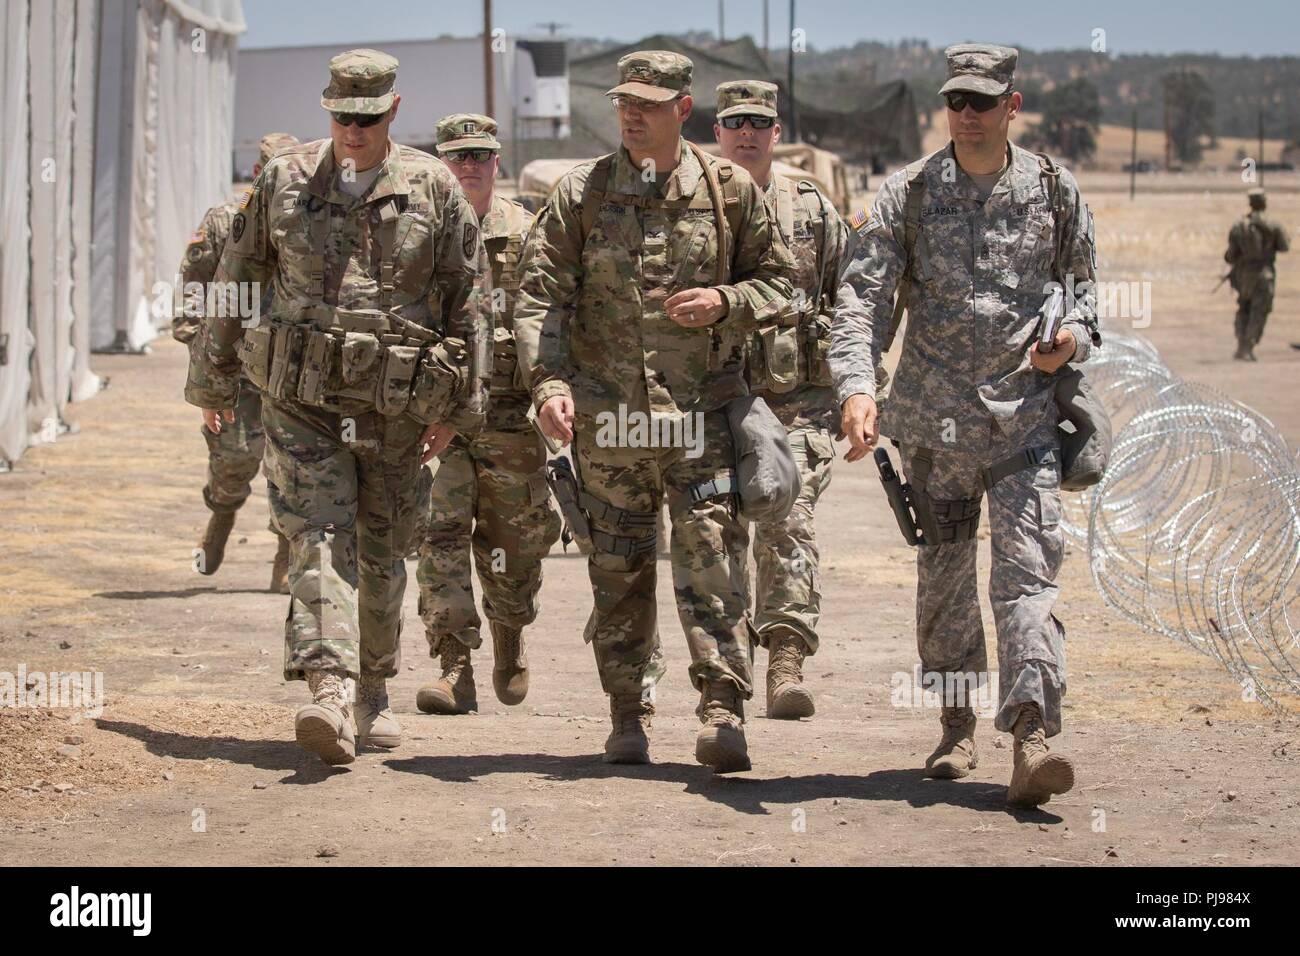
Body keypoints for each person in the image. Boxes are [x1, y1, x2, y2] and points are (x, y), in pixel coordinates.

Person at [184, 49, 491, 765]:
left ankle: (373, 691)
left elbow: (468, 298)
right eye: (342, 116)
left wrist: (460, 406)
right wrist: (214, 380)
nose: (353, 130)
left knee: (384, 552)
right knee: (319, 535)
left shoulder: (432, 186)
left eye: (368, 117)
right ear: (328, 110)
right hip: (303, 398)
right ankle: (328, 686)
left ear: (393, 110)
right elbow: (238, 274)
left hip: (399, 406)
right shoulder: (284, 180)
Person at [832, 44, 1100, 808]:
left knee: (1026, 580)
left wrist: (1070, 340)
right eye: (957, 101)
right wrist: (857, 388)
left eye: (983, 102)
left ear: (1012, 107)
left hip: (1024, 422)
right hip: (935, 429)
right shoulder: (908, 194)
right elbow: (862, 301)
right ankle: (954, 723)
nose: (968, 114)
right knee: (945, 583)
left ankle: (1032, 735)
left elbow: (1083, 294)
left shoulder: (1054, 190)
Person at [513, 51, 795, 773]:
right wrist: (548, 385)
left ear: (683, 109)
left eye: (647, 102)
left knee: (712, 564)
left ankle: (723, 709)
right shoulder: (583, 194)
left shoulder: (728, 190)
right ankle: (627, 712)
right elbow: (539, 296)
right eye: (623, 102)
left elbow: (782, 283)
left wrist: (727, 302)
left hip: (699, 420)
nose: (631, 114)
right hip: (609, 426)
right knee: (619, 571)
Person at [414, 113, 561, 715]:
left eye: (480, 156)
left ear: (497, 162)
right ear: (440, 163)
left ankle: (509, 632)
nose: (469, 166)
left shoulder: (525, 234)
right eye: (457, 156)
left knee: (514, 547)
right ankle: (454, 667)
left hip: (509, 419)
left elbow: (546, 320)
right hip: (434, 426)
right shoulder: (416, 237)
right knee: (439, 540)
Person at [713, 80, 842, 720]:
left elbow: (853, 304)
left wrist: (858, 388)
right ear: (715, 129)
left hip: (799, 406)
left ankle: (785, 660)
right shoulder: (693, 202)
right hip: (714, 403)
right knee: (719, 537)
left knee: (788, 519)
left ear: (776, 132)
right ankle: (728, 681)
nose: (746, 133)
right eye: (734, 121)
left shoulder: (813, 209)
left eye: (759, 123)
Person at [176, 132, 299, 593]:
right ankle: (221, 515)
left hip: (289, 368)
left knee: (291, 464)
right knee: (235, 456)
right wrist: (198, 343)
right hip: (236, 365)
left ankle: (285, 557)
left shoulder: (310, 225)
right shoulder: (226, 221)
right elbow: (193, 284)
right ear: (256, 175)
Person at [1225, 187, 1289, 361]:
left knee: (1243, 308)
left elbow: (1230, 256)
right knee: (1259, 311)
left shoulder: (1239, 226)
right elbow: (1284, 247)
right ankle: (1248, 346)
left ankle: (1240, 345)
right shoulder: (1273, 225)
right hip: (1264, 274)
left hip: (1243, 277)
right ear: (1264, 203)